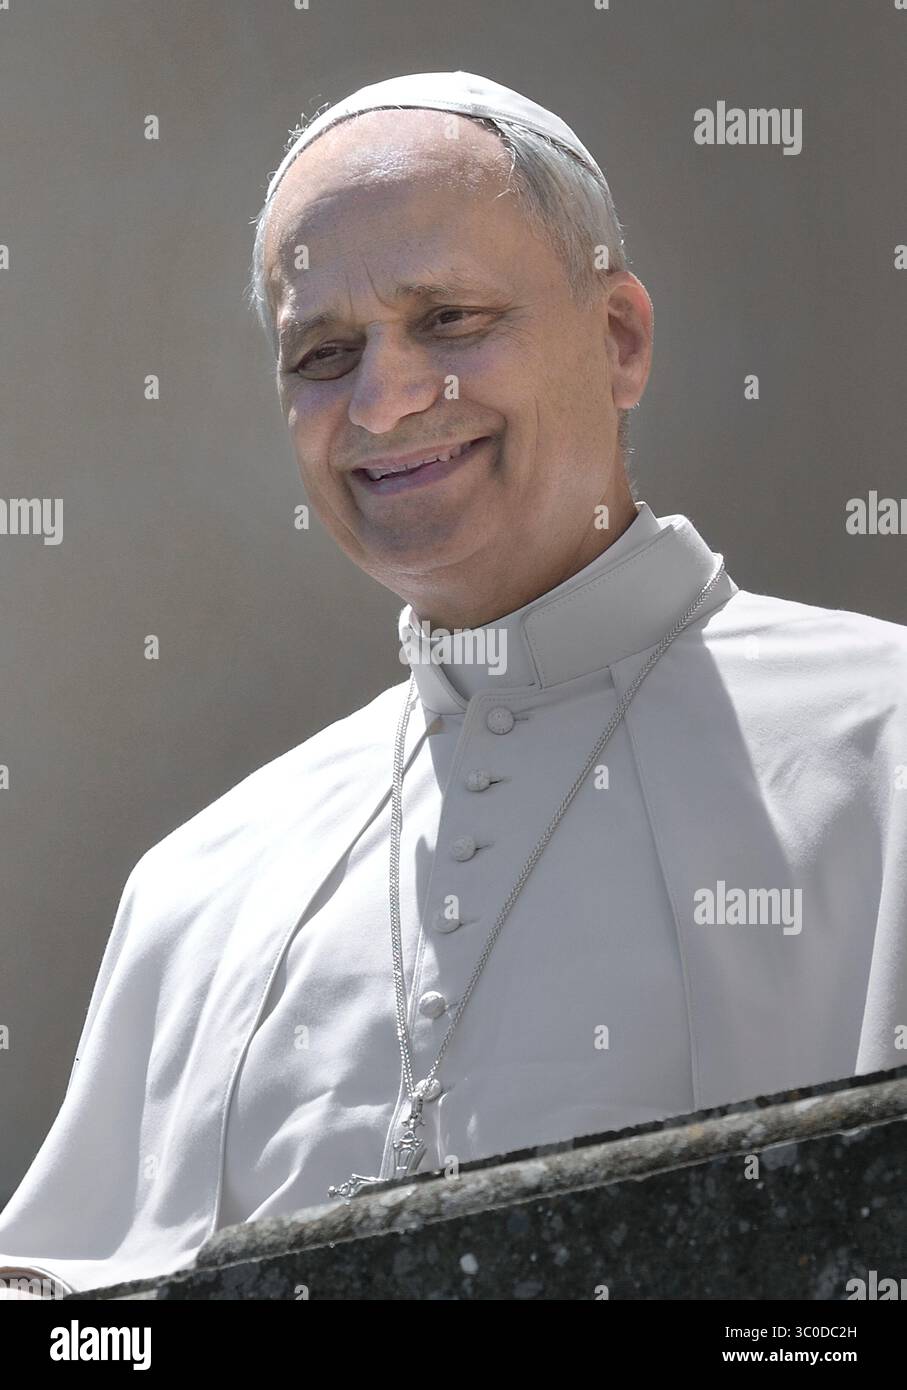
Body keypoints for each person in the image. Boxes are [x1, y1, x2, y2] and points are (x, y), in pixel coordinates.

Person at [2, 70, 905, 1298]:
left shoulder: (883, 740)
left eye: (451, 321)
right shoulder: (196, 883)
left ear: (619, 338)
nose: (381, 399)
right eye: (323, 353)